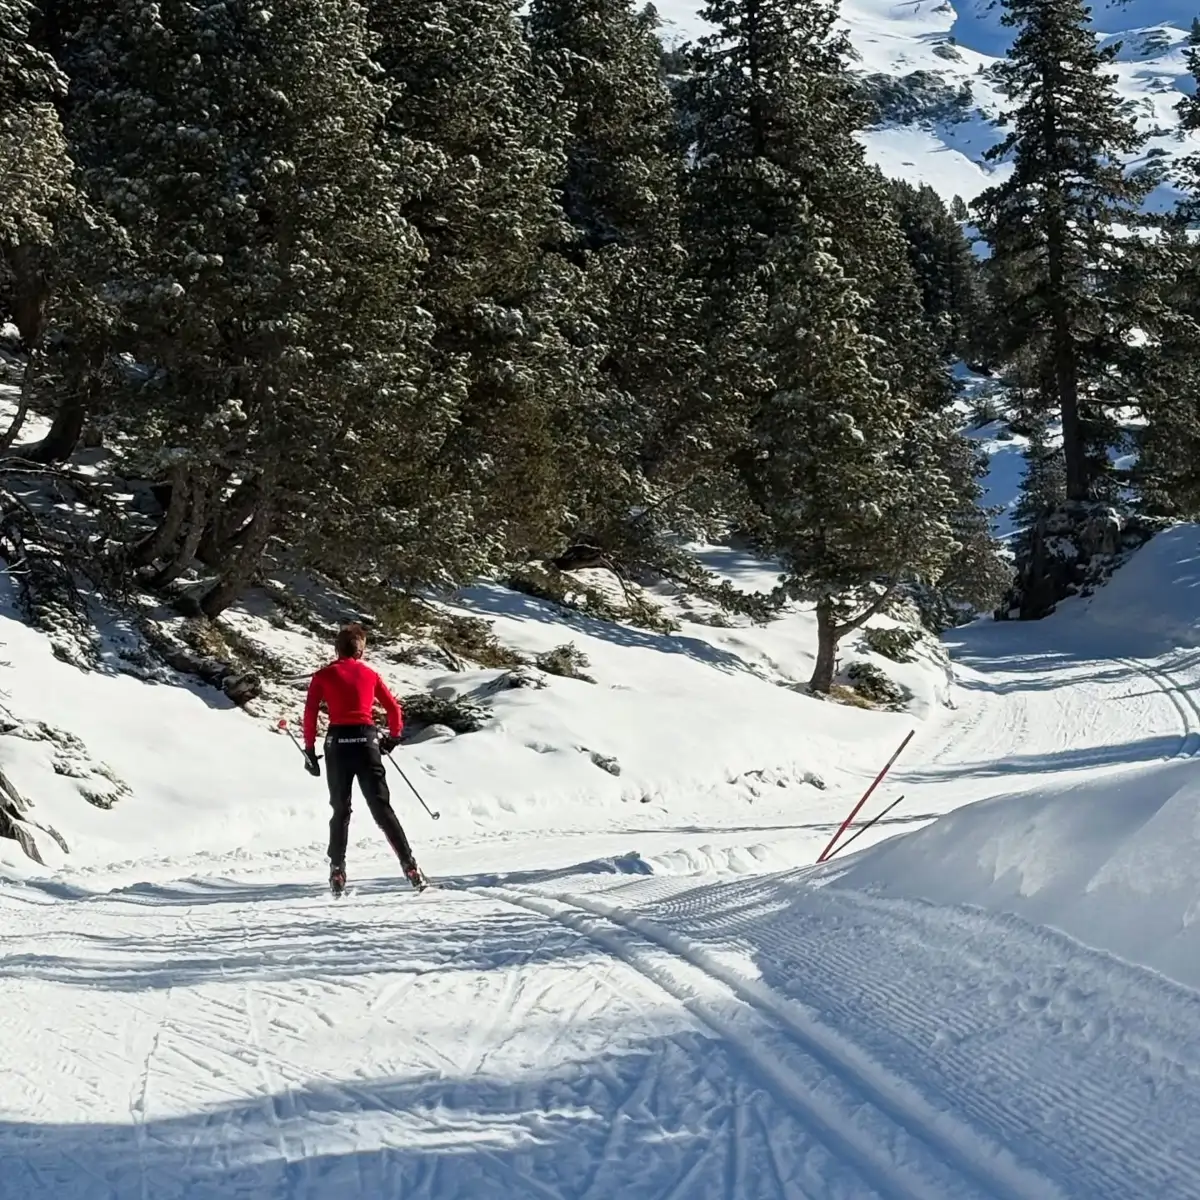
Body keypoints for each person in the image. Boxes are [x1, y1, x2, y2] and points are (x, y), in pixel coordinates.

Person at [303, 622, 427, 896]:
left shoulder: (323, 675)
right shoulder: (370, 674)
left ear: (337, 650)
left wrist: (310, 751)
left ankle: (337, 869)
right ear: (361, 651)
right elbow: (394, 709)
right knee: (382, 808)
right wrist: (392, 739)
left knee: (341, 809)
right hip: (366, 741)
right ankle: (410, 865)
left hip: (337, 743)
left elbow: (310, 713)